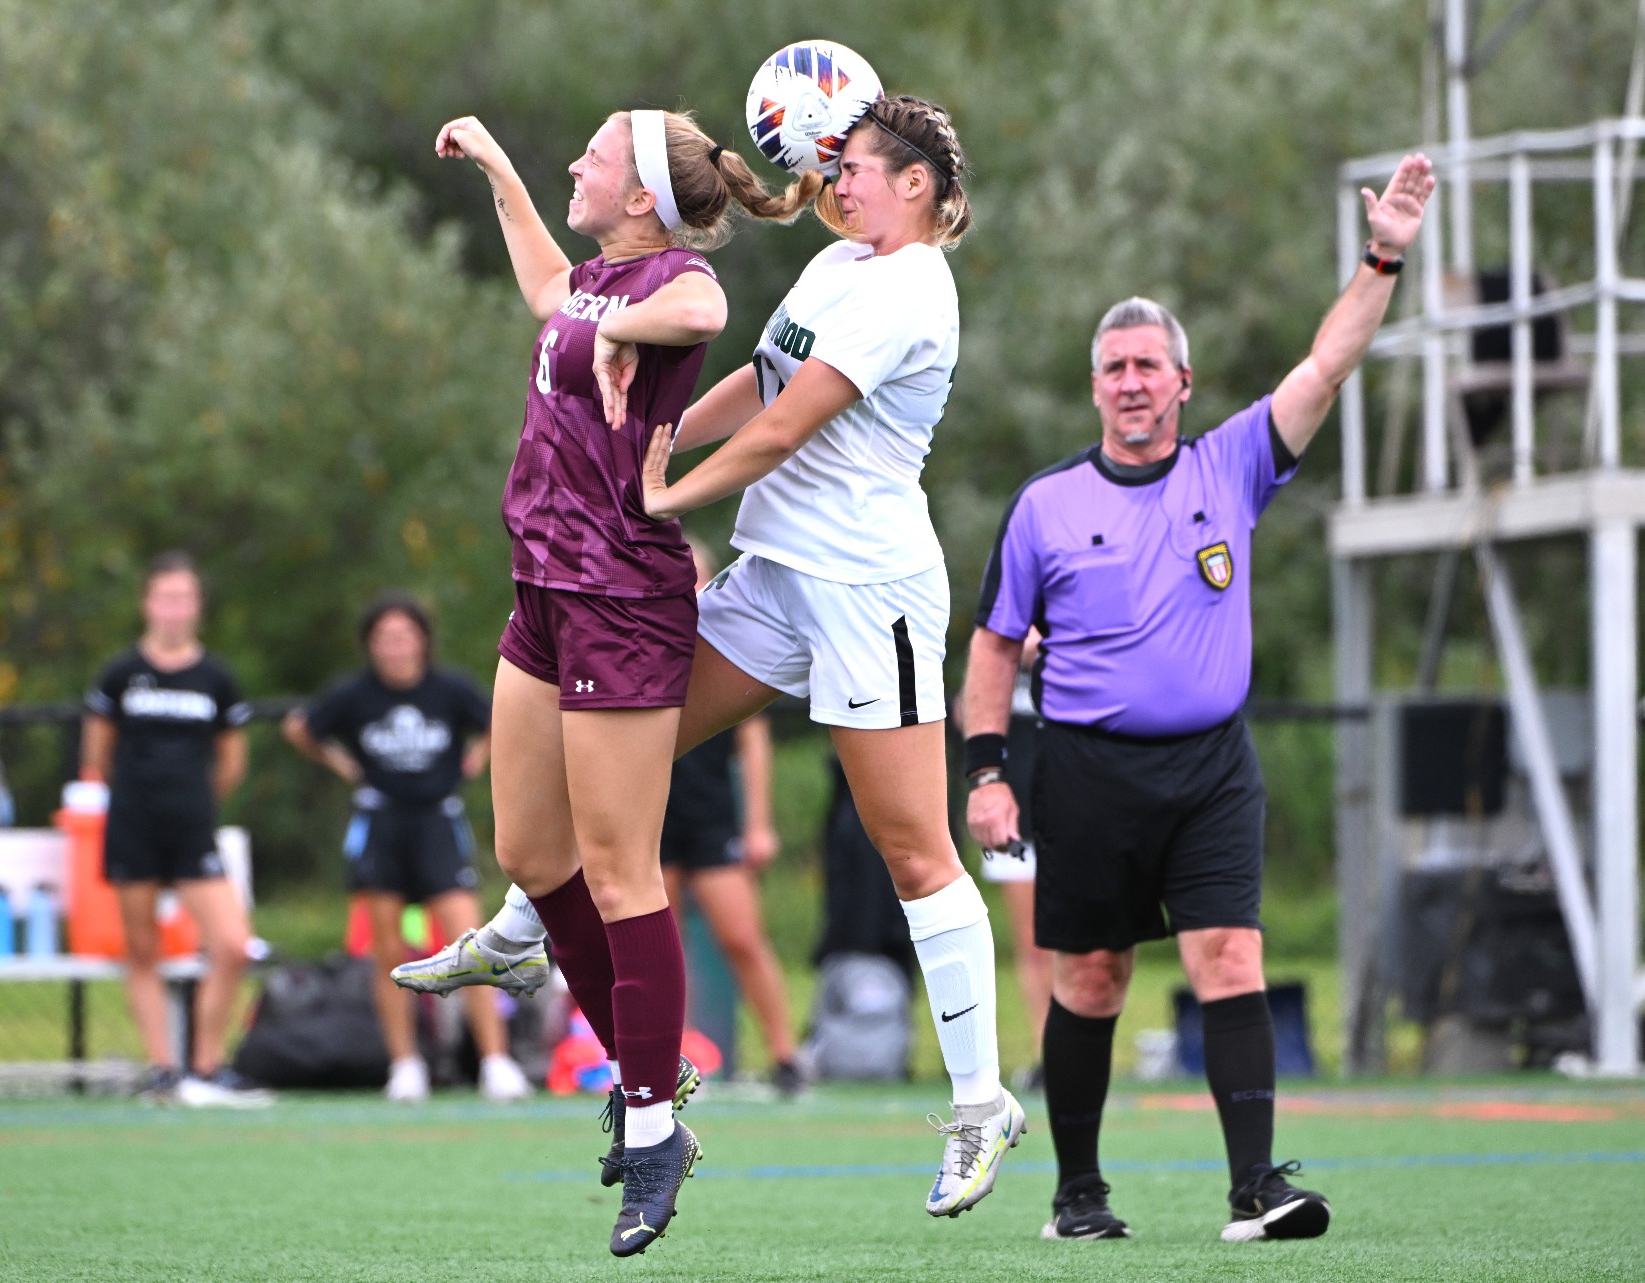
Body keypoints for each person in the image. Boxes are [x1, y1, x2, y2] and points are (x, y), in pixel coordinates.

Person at [415, 94, 1021, 1221]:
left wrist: (662, 493)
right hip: (776, 577)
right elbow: (759, 381)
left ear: (921, 187)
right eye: (837, 167)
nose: (839, 183)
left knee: (911, 849)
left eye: (863, 170)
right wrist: (657, 435)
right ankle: (522, 918)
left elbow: (790, 428)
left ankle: (980, 1102)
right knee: (613, 753)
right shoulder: (841, 265)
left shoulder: (909, 287)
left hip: (863, 594)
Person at [962, 155, 1435, 1244]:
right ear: (1096, 387)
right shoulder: (1044, 504)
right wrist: (985, 773)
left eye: (1149, 365)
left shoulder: (1231, 467)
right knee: (1089, 973)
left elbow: (1326, 362)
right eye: (1113, 366)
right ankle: (1076, 1195)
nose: (1130, 381)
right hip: (1083, 769)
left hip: (1212, 766)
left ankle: (1254, 1187)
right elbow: (990, 649)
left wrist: (1384, 254)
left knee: (1230, 954)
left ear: (1184, 380)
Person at [395, 104, 812, 1256]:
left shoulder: (671, 280)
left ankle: (649, 1121)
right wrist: (495, 169)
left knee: (623, 871)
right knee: (532, 855)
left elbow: (707, 308)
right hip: (541, 588)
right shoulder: (592, 278)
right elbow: (546, 294)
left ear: (640, 197)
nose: (574, 161)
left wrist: (633, 329)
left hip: (620, 602)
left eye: (591, 155)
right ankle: (648, 1067)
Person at [281, 593, 530, 1103]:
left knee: (474, 943)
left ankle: (496, 1062)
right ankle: (405, 1065)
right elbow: (299, 728)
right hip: (382, 827)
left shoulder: (450, 689)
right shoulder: (355, 695)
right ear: (371, 646)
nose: (395, 647)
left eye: (404, 636)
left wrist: (476, 756)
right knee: (388, 950)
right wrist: (343, 764)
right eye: (384, 639)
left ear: (421, 640)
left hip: (437, 824)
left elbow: (498, 718)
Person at [82, 552, 267, 1109]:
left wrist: (192, 801)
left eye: (183, 598)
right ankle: (163, 1069)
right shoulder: (119, 674)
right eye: (164, 597)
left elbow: (232, 761)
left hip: (192, 833)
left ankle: (205, 1066)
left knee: (232, 945)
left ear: (197, 607)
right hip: (133, 827)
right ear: (147, 603)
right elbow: (98, 755)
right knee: (142, 950)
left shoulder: (215, 678)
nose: (173, 609)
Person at [659, 540, 800, 1095]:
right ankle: (670, 1060)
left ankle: (786, 1056)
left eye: (697, 573)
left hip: (712, 817)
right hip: (650, 816)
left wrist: (759, 825)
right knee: (660, 945)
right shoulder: (638, 638)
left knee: (742, 936)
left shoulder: (724, 643)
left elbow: (753, 738)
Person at [964, 627, 1052, 1087]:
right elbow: (966, 714)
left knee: (1076, 944)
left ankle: (1075, 1050)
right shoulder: (998, 643)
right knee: (1032, 944)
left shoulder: (1071, 637)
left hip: (1070, 817)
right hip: (1014, 824)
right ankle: (1046, 1053)